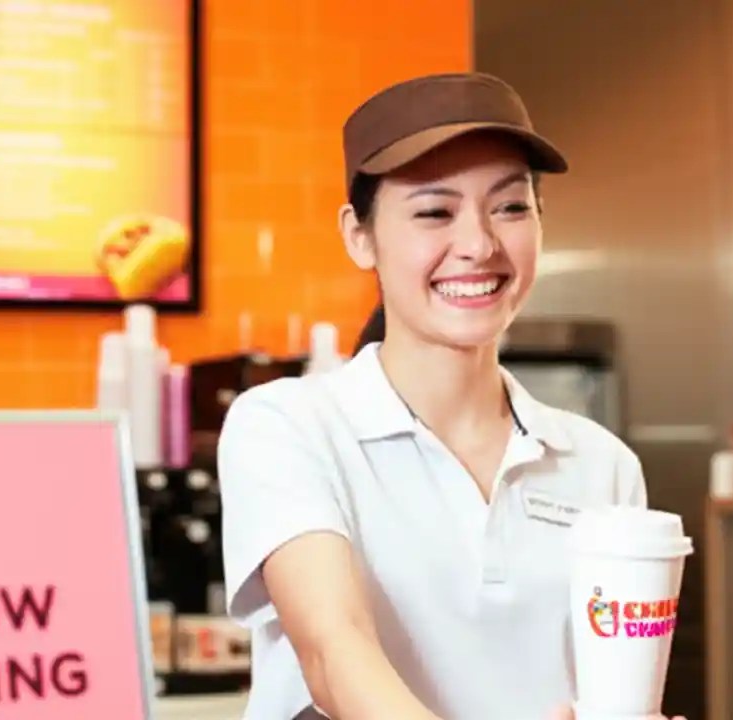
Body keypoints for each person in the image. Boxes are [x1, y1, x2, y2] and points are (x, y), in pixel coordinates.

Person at [218, 73, 684, 720]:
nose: (478, 245)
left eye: (510, 207)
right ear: (360, 235)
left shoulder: (601, 465)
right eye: (434, 212)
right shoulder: (289, 427)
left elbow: (613, 697)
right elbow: (333, 653)